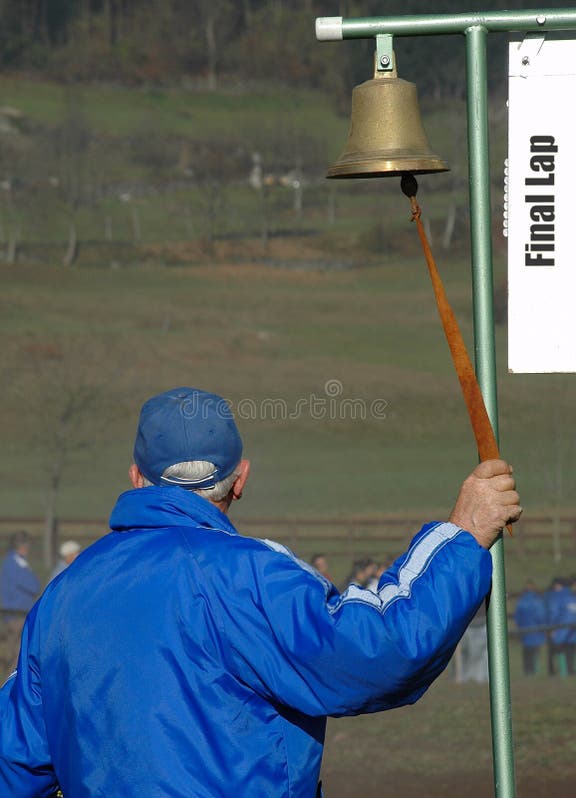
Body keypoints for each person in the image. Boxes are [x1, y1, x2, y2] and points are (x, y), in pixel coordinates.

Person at [0, 387, 522, 797]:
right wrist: (463, 534)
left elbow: (14, 760)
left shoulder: (61, 597)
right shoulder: (249, 577)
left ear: (136, 478)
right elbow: (381, 648)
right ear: (241, 478)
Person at [0, 530, 40, 624]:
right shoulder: (15, 563)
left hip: (16, 612)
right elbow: (33, 586)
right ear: (22, 546)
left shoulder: (13, 562)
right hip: (17, 614)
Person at [514, 579, 546, 676]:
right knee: (535, 652)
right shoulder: (537, 601)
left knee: (526, 652)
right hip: (536, 631)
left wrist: (520, 626)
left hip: (524, 631)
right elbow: (541, 616)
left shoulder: (521, 602)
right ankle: (535, 670)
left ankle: (527, 671)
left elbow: (517, 618)